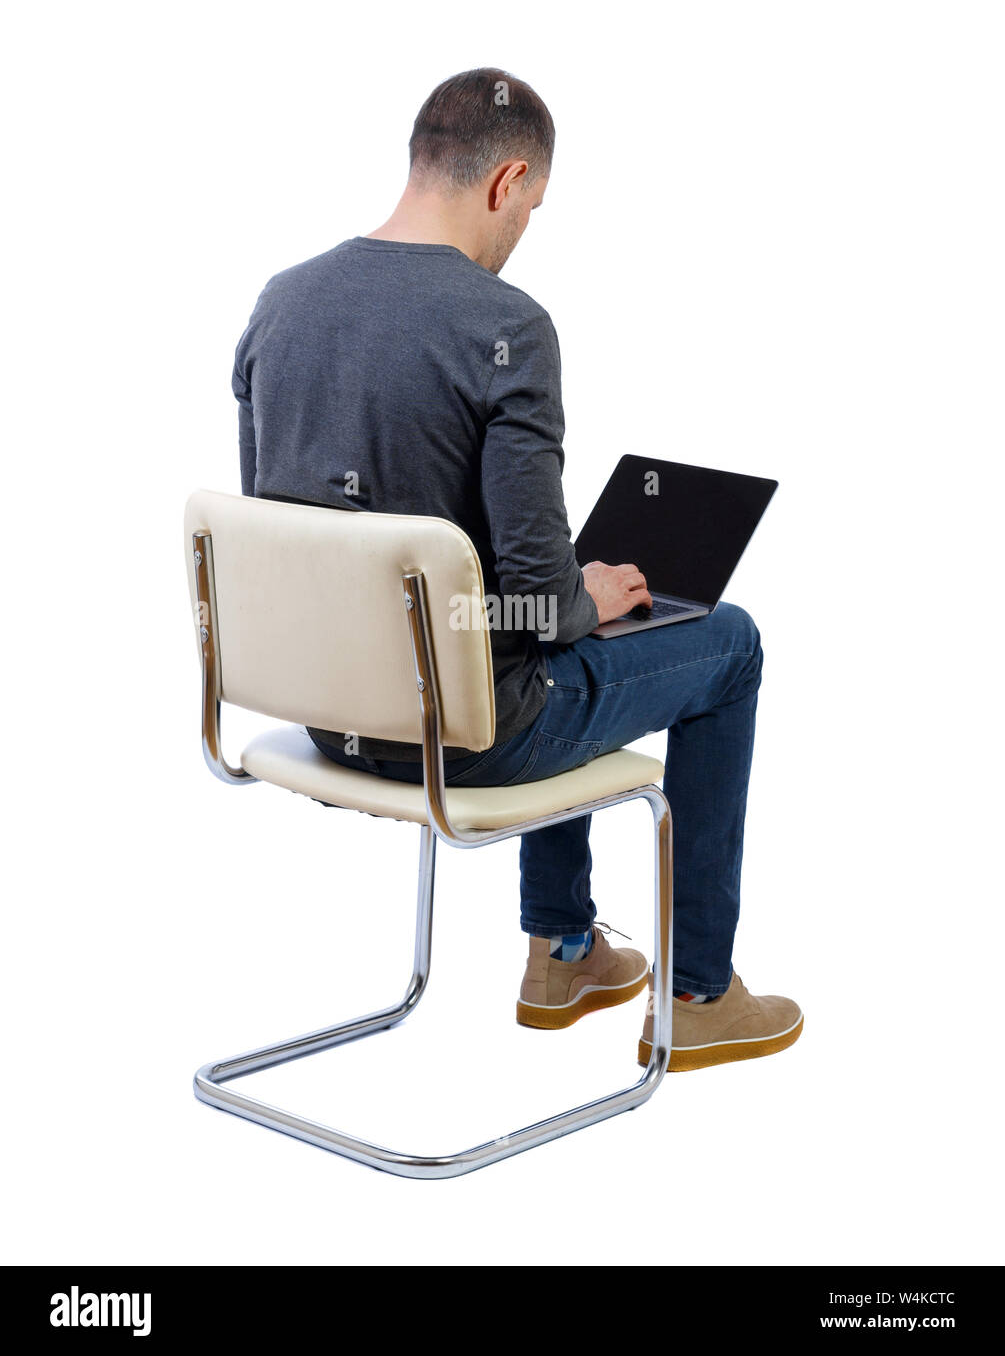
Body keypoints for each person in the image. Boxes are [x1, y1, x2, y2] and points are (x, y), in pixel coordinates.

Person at [232, 68, 803, 1070]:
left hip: (333, 719)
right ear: (506, 182)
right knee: (729, 642)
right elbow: (541, 606)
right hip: (468, 740)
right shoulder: (503, 327)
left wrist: (557, 592)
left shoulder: (281, 305)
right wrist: (589, 593)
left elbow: (306, 552)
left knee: (553, 624)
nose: (520, 233)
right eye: (530, 208)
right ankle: (698, 992)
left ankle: (568, 949)